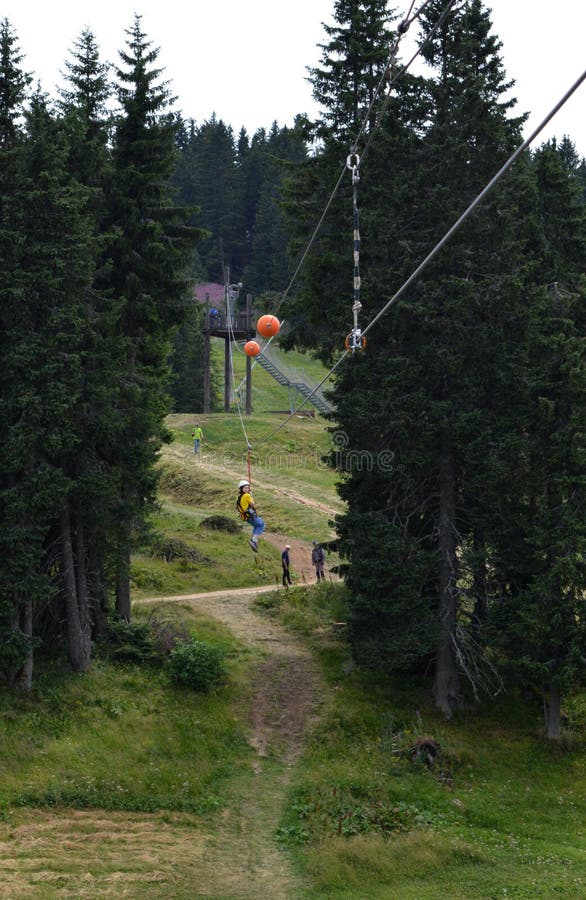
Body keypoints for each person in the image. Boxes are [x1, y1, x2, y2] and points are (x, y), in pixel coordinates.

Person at [236, 479, 265, 552]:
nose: (247, 489)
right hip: (250, 516)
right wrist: (251, 496)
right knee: (261, 525)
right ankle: (254, 541)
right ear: (241, 489)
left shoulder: (239, 496)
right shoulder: (247, 495)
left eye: (248, 487)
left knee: (258, 525)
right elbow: (252, 504)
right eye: (245, 488)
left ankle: (254, 542)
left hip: (246, 517)